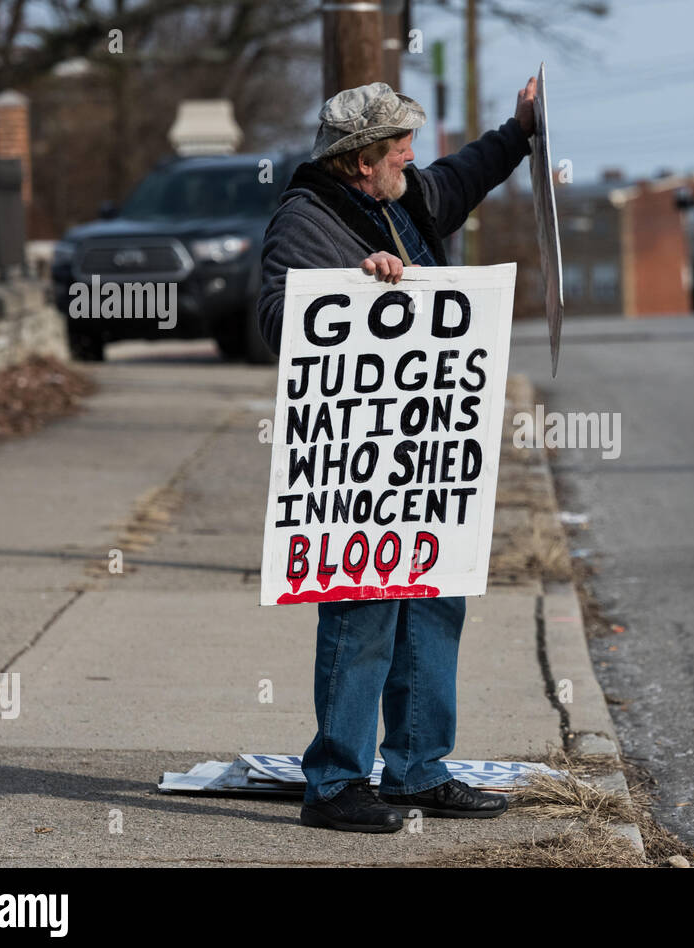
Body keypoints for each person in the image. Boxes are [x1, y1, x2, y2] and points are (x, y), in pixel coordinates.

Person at [256, 78, 537, 833]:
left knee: (435, 599)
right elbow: (281, 322)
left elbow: (465, 174)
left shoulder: (403, 196)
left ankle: (417, 768)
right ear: (358, 162)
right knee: (364, 609)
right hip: (359, 468)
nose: (414, 157)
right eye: (399, 147)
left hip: (426, 457)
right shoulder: (306, 222)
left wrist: (519, 130)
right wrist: (355, 285)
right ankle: (336, 783)